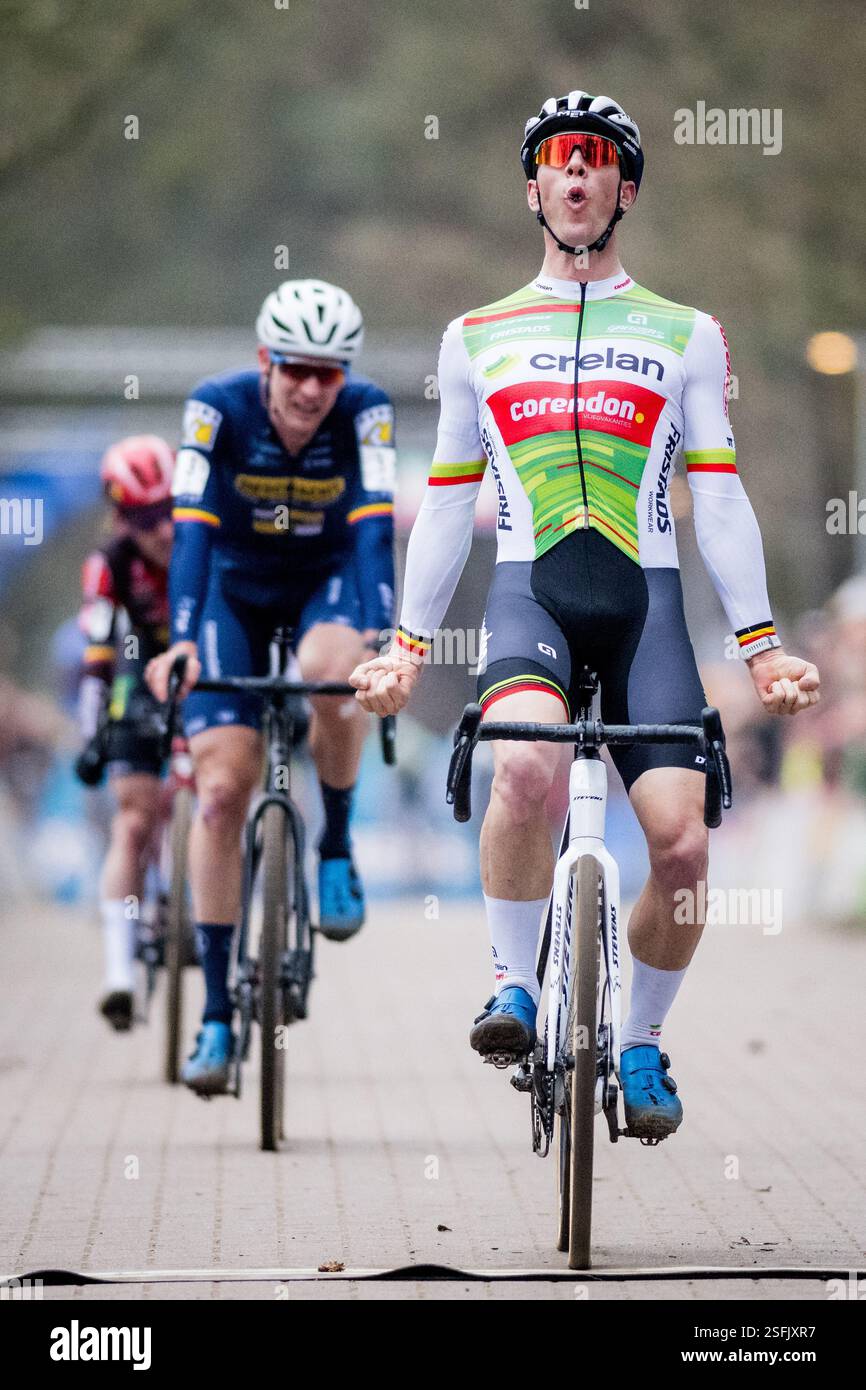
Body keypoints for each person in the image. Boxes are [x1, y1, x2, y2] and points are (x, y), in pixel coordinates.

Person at [351, 91, 820, 1140]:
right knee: (523, 769)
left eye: (595, 158)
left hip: (642, 605)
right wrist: (404, 645)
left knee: (685, 851)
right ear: (532, 189)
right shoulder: (475, 336)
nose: (574, 173)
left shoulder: (684, 334)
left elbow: (724, 494)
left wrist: (763, 646)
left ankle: (644, 1039)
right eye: (557, 158)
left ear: (623, 188)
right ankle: (513, 987)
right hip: (532, 598)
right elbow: (436, 503)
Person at [147, 278, 395, 1095]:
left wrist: (384, 633)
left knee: (336, 675)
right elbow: (189, 530)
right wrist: (181, 640)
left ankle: (333, 847)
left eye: (329, 373)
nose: (311, 389)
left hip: (325, 582)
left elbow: (371, 530)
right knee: (221, 791)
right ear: (266, 361)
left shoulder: (367, 413)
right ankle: (216, 1012)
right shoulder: (214, 409)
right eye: (296, 369)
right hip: (232, 591)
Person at [77, 436, 174, 1031]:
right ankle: (119, 973)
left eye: (169, 513)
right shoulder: (108, 564)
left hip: (208, 673)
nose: (163, 532)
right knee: (132, 820)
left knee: (220, 796)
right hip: (140, 681)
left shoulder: (204, 540)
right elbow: (97, 659)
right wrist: (93, 734)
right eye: (145, 521)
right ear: (121, 520)